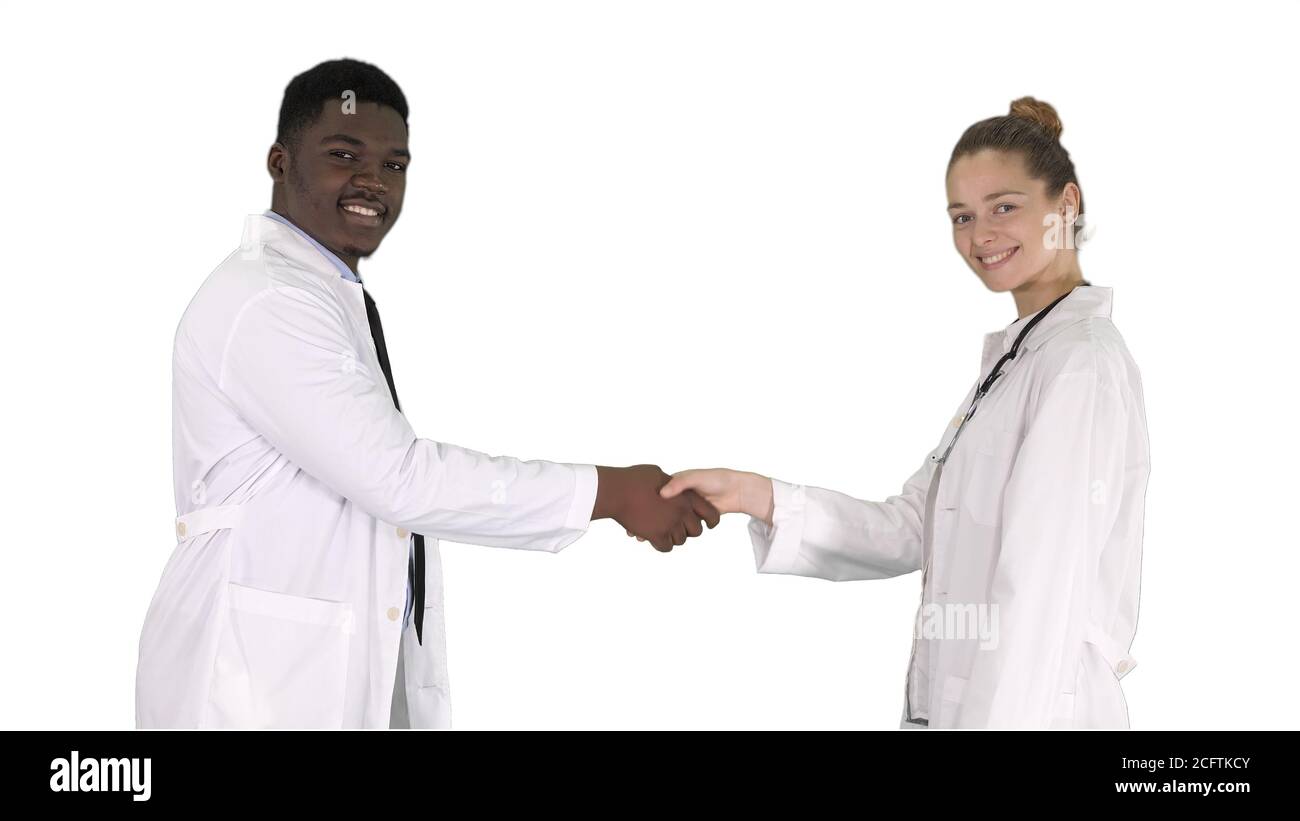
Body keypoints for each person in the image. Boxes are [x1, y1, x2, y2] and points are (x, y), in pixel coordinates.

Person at [135, 58, 718, 729]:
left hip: (314, 674)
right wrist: (610, 493)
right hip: (246, 689)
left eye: (394, 164)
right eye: (343, 154)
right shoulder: (268, 301)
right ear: (279, 160)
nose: (372, 182)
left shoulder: (323, 296)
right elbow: (398, 477)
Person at [660, 98, 1151, 729]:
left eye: (1005, 206)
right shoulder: (1020, 362)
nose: (980, 236)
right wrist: (759, 496)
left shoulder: (1078, 365)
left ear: (1067, 204)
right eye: (961, 216)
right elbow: (915, 526)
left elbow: (1038, 596)